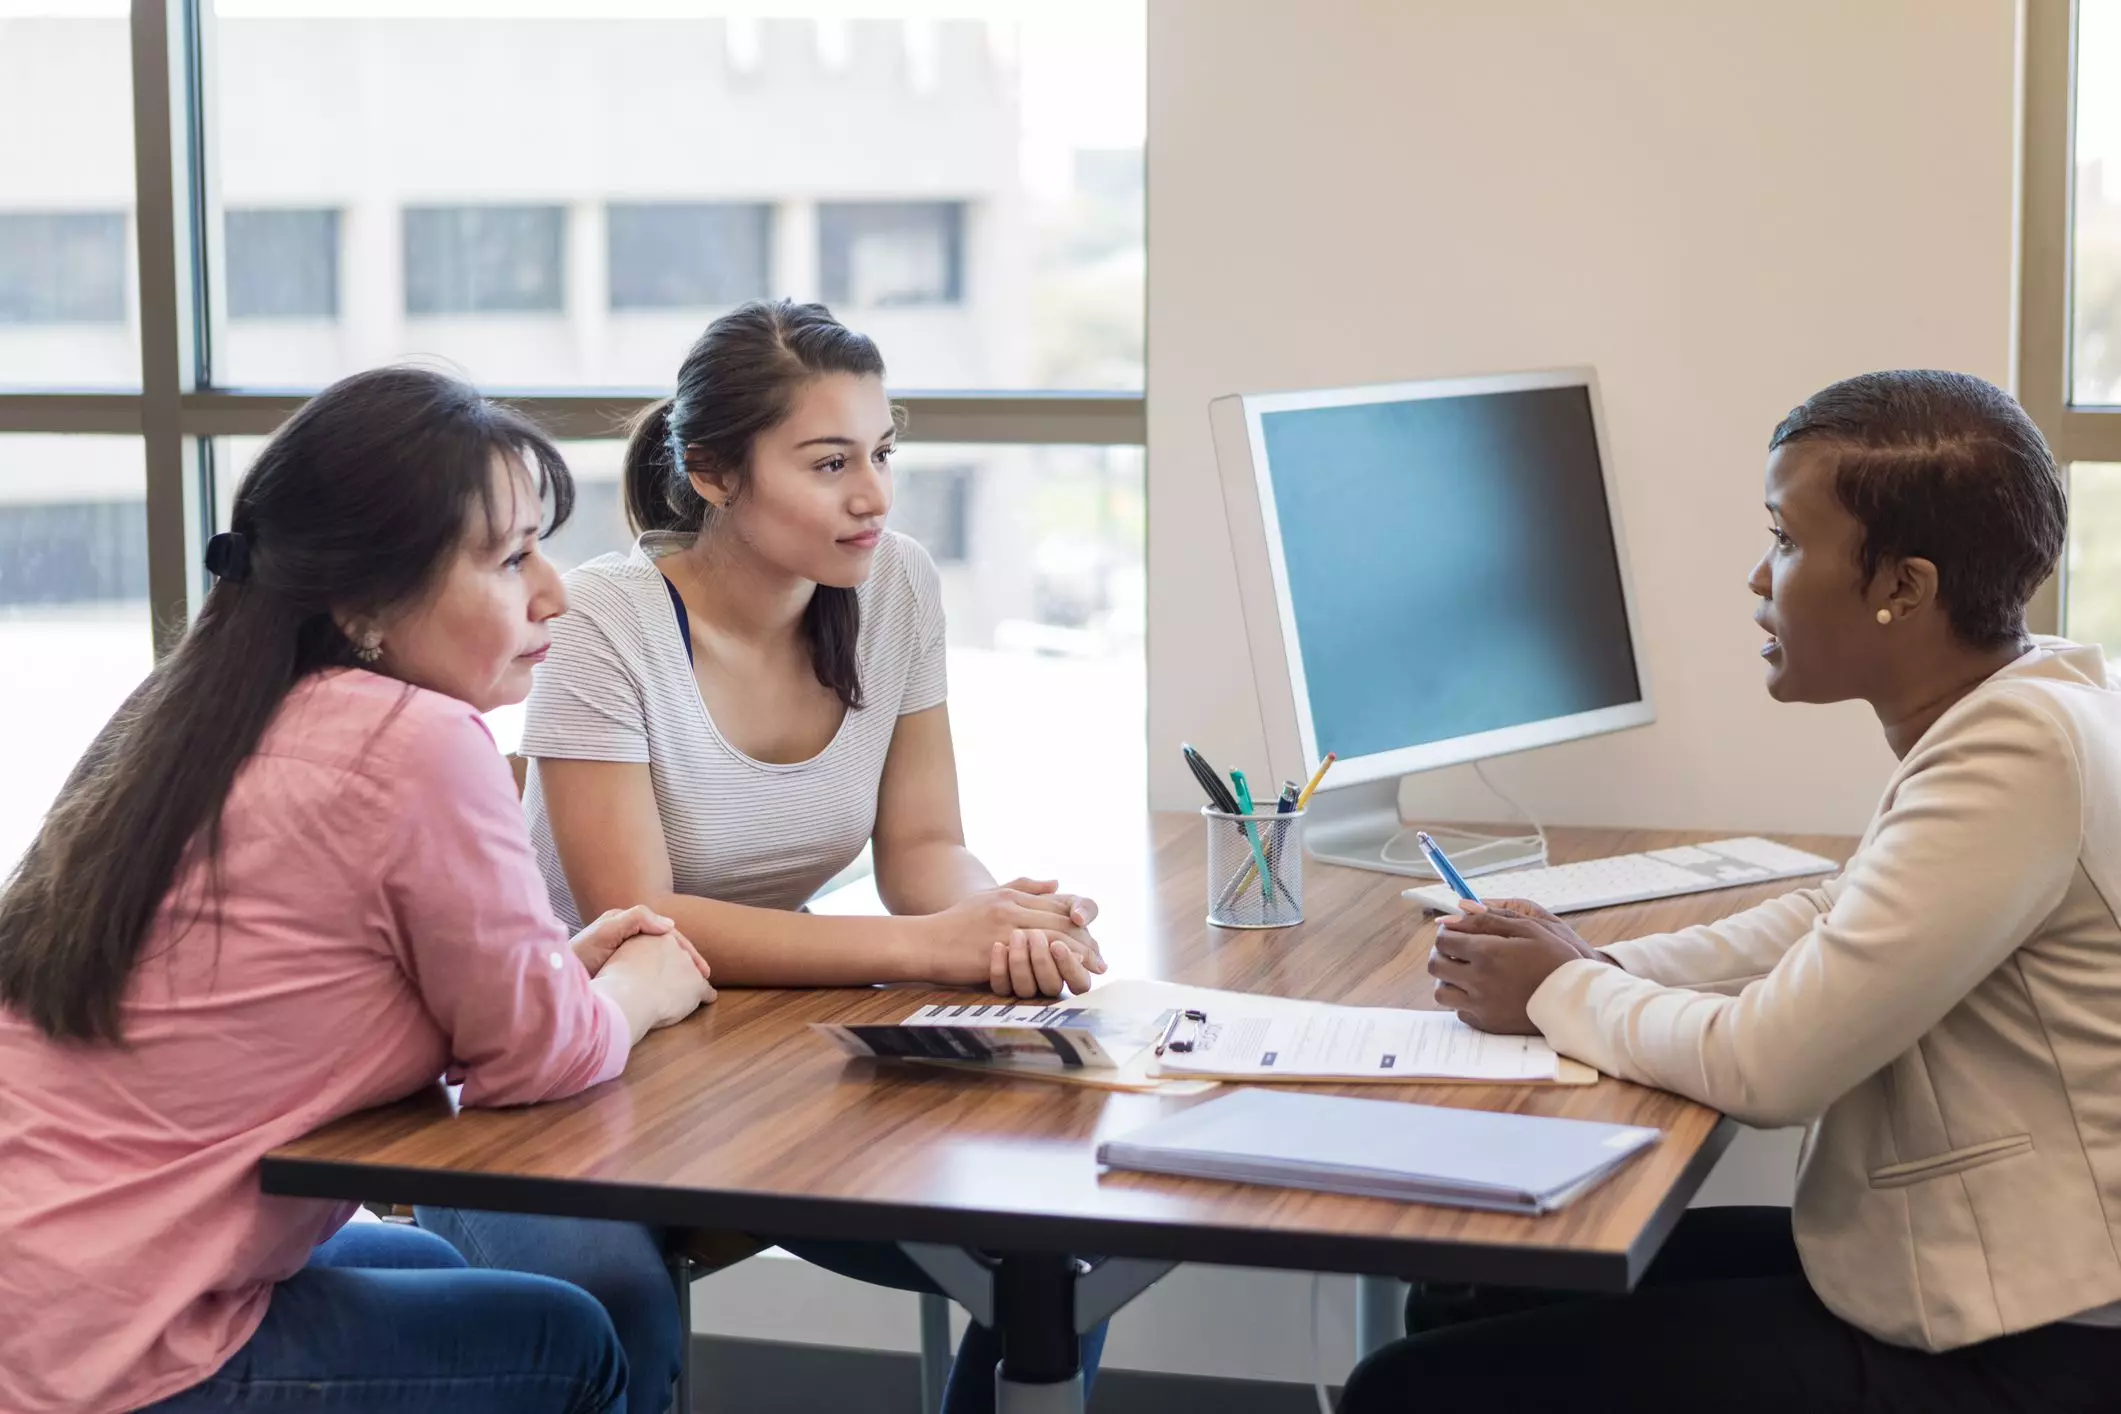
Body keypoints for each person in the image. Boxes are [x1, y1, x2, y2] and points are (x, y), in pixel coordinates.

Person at [1341, 369, 2121, 1413]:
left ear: (1906, 588)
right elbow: (1837, 909)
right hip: (1984, 1267)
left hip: (2033, 1340)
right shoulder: (2029, 698)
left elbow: (1768, 1069)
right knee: (1474, 1286)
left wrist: (1556, 994)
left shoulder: (2014, 754)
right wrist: (1595, 961)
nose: (1761, 577)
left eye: (1788, 541)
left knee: (1414, 1386)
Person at [416, 300, 1107, 1413]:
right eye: (830, 462)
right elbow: (643, 915)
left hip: (749, 1052)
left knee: (1063, 1247)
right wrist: (937, 948)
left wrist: (999, 923)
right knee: (608, 1303)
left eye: (882, 453)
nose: (873, 494)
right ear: (716, 473)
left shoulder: (896, 585)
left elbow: (924, 847)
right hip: (550, 1059)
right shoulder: (606, 619)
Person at [0, 367, 715, 1414]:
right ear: (364, 602)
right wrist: (645, 982)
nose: (553, 590)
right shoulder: (414, 740)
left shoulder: (186, 714)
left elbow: (315, 988)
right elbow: (542, 1057)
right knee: (573, 1342)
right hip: (100, 1351)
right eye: (511, 557)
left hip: (50, 1282)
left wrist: (560, 976)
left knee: (430, 1267)